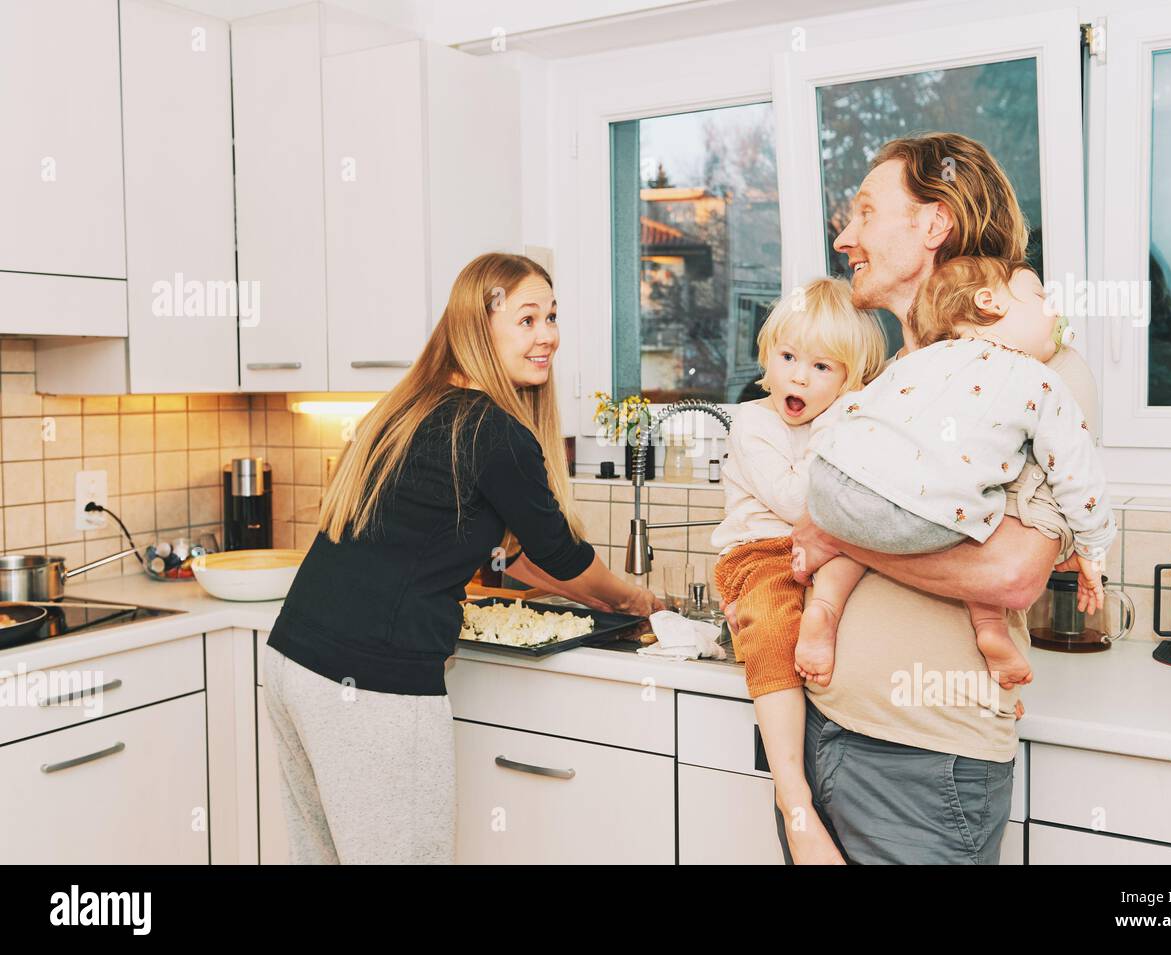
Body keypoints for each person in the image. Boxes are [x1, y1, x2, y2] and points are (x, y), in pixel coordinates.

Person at [262, 252, 661, 864]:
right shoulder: (494, 431)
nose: (548, 335)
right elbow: (562, 555)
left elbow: (516, 561)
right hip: (371, 684)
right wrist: (634, 599)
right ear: (481, 323)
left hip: (294, 660)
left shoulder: (410, 407)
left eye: (552, 317)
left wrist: (602, 600)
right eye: (527, 319)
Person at [774, 132, 1101, 864]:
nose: (844, 236)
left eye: (864, 213)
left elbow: (1011, 572)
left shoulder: (1042, 375)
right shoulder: (895, 375)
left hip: (926, 769)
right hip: (823, 730)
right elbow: (820, 522)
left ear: (934, 225)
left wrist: (839, 535)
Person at [798, 256, 1116, 690]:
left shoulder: (917, 360)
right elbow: (1077, 473)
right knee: (975, 514)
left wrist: (822, 471)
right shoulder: (1041, 381)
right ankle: (989, 627)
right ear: (990, 302)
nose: (1056, 310)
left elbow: (852, 411)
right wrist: (1093, 546)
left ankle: (825, 609)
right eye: (1041, 296)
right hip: (919, 517)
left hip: (830, 488)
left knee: (879, 515)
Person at [711, 277, 885, 865]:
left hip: (813, 554)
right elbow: (792, 501)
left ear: (849, 379)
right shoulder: (752, 422)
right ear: (768, 357)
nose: (800, 378)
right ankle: (794, 799)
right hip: (757, 555)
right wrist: (838, 434)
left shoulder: (829, 422)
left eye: (822, 367)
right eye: (788, 358)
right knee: (772, 629)